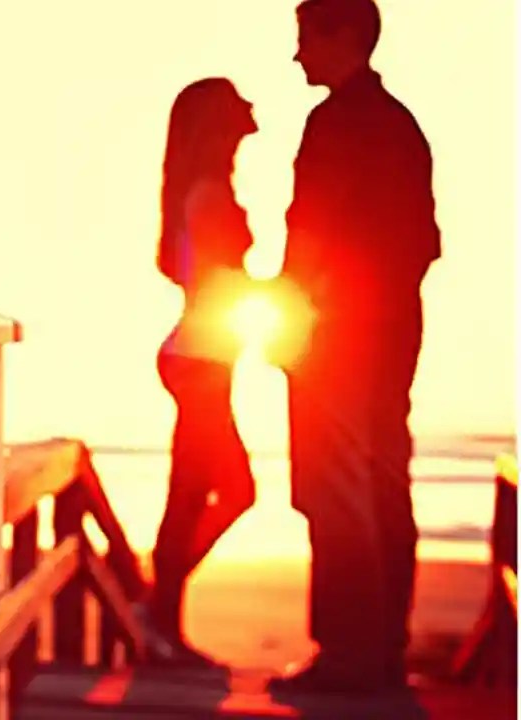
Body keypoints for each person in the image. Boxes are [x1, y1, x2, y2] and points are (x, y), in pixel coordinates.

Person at [271, 0, 441, 694]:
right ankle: (380, 651)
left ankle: (348, 658)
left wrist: (294, 318)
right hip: (391, 329)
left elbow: (308, 233)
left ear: (345, 37)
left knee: (335, 489)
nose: (298, 55)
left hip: (337, 335)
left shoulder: (337, 123)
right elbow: (425, 242)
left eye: (306, 38)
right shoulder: (402, 126)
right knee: (380, 483)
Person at [137, 77, 260, 668]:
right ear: (218, 122)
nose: (251, 109)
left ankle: (159, 614)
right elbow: (218, 282)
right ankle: (155, 610)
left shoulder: (208, 186)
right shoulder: (209, 191)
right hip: (200, 360)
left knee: (195, 493)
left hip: (202, 356)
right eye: (239, 104)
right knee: (223, 490)